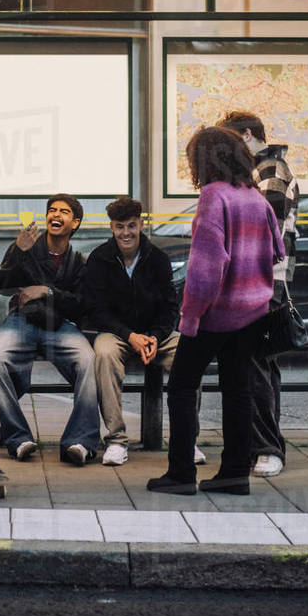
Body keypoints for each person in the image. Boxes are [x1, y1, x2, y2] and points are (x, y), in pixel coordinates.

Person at [147, 126, 283, 497]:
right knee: (238, 390)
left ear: (204, 160)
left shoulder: (213, 197)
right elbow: (277, 252)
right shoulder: (254, 197)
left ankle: (180, 473)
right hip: (253, 313)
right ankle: (235, 473)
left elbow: (207, 269)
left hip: (217, 314)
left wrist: (190, 317)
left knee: (181, 386)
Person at [0, 195, 99, 465]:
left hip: (59, 326)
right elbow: (2, 285)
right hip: (22, 321)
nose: (55, 214)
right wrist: (17, 250)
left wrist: (47, 291)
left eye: (64, 211)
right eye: (52, 210)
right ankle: (17, 438)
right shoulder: (28, 246)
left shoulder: (80, 261)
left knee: (89, 361)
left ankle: (80, 441)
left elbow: (82, 305)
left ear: (75, 222)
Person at [216, 110, 299, 477]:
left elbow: (266, 232)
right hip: (260, 280)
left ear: (248, 135)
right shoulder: (262, 172)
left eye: (234, 143)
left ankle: (267, 449)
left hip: (264, 281)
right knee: (260, 365)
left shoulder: (271, 172)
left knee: (254, 367)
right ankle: (262, 446)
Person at [83, 195, 182, 467]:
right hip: (116, 335)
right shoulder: (99, 259)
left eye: (131, 226)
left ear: (141, 224)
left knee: (186, 353)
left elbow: (171, 307)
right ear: (111, 227)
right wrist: (130, 336)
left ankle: (187, 440)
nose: (125, 233)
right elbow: (97, 310)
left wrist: (155, 337)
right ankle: (116, 440)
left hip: (154, 336)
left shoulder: (158, 259)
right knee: (103, 353)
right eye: (119, 226)